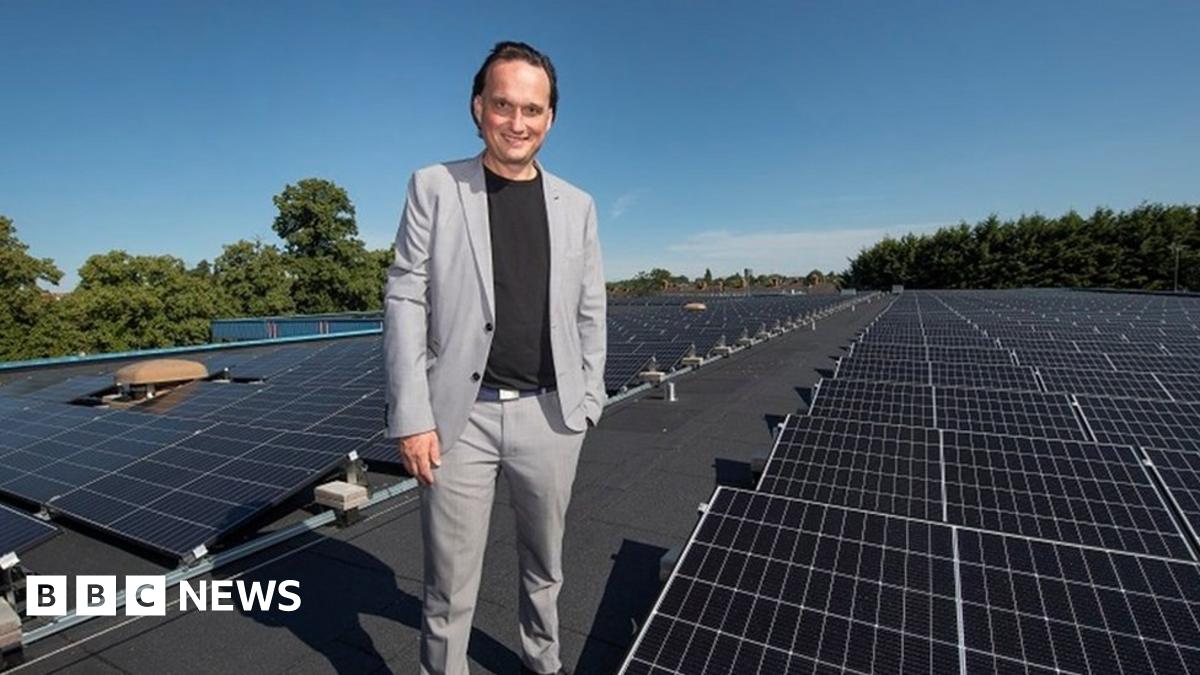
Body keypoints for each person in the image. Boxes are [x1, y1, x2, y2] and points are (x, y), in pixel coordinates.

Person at [384, 41, 607, 675]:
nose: (517, 122)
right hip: (459, 422)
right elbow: (405, 297)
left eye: (532, 109)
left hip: (551, 417)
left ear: (551, 118)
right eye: (503, 104)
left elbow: (592, 311)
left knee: (546, 571)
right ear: (478, 107)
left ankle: (543, 665)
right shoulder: (434, 186)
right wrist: (413, 415)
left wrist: (586, 404)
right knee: (448, 587)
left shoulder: (579, 205)